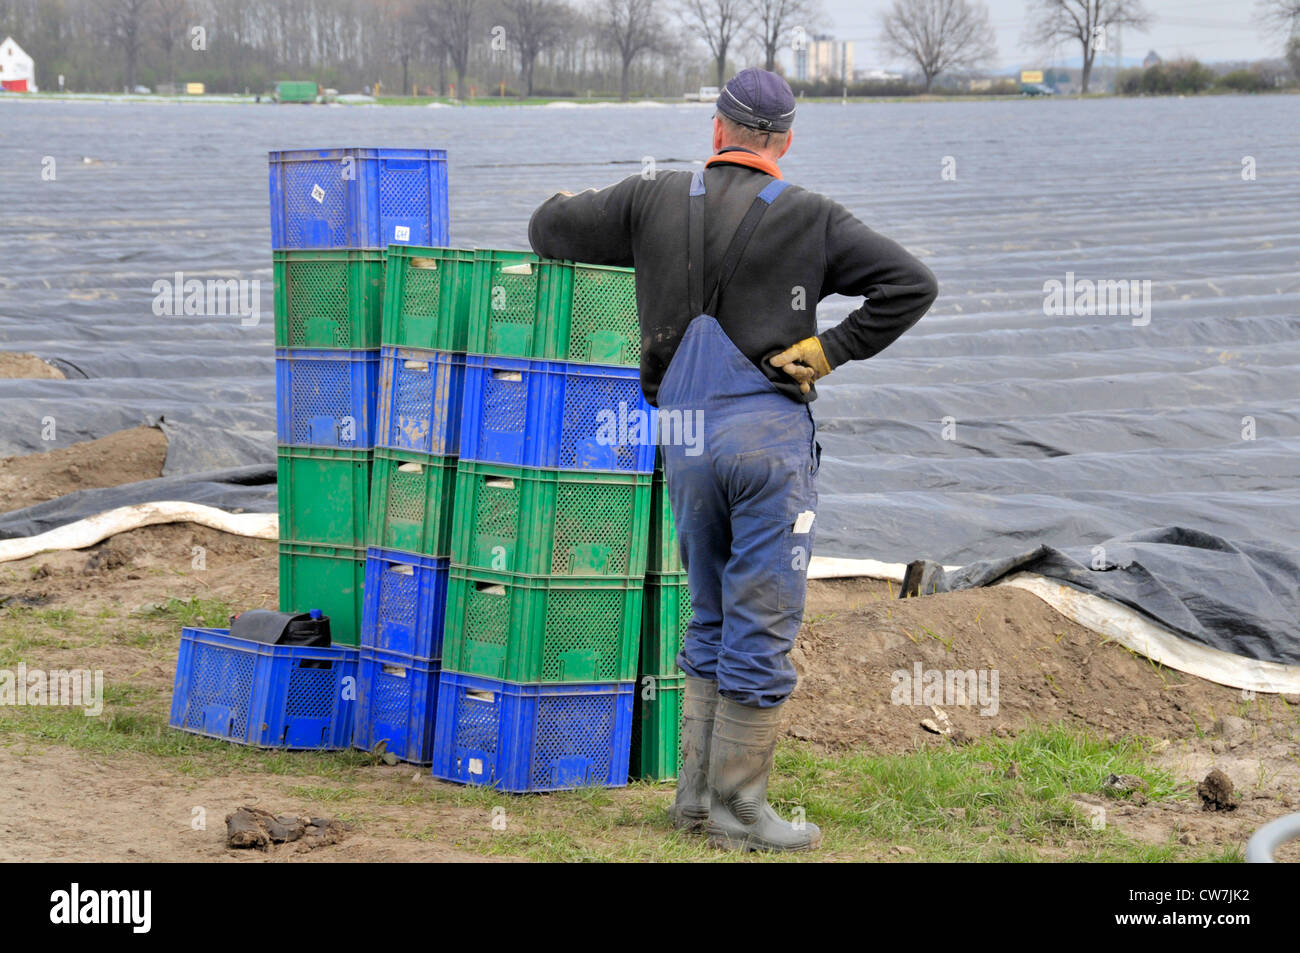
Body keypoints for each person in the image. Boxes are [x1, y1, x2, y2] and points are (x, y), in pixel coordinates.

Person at [528, 68, 937, 852]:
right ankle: (741, 810)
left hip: (682, 438)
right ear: (783, 141)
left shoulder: (651, 199)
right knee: (762, 615)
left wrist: (574, 200)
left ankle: (693, 802)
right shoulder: (813, 218)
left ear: (716, 130)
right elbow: (911, 284)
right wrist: (830, 348)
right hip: (765, 443)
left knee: (709, 609)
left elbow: (549, 230)